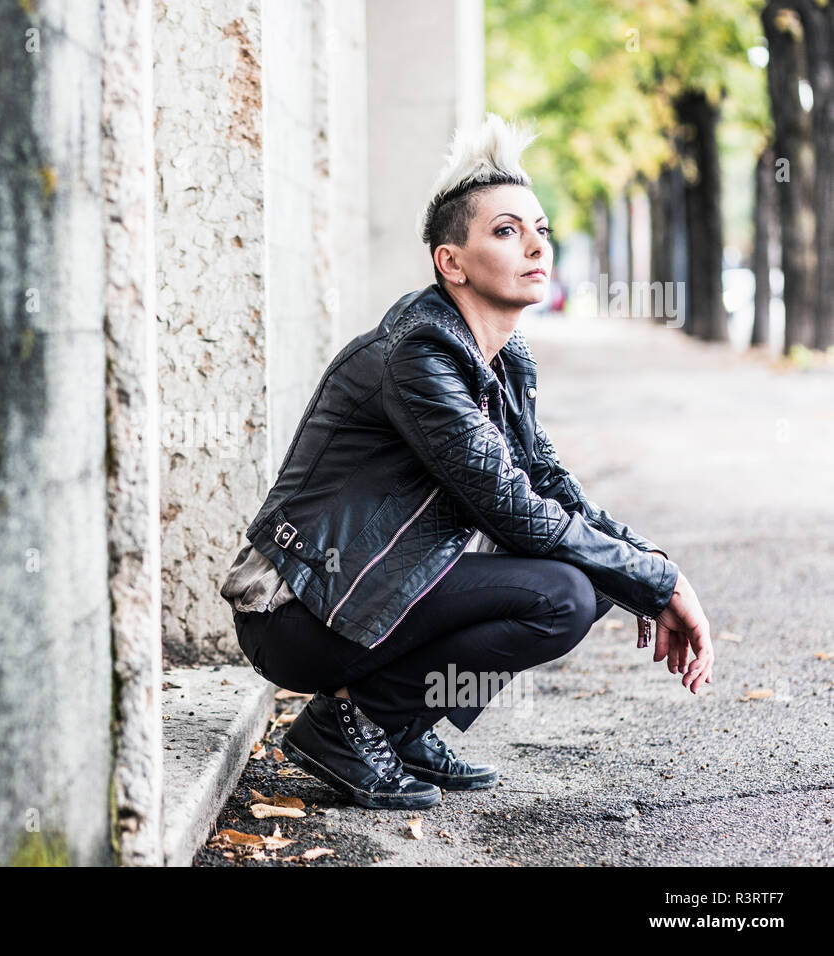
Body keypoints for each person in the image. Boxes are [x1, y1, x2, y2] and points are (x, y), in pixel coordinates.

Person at [219, 113, 714, 811]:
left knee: (597, 570)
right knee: (565, 593)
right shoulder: (419, 356)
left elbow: (548, 487)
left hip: (366, 594)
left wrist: (649, 569)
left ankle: (401, 724)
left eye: (540, 228)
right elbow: (511, 507)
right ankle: (349, 724)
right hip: (298, 608)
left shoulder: (503, 358)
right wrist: (659, 583)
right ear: (451, 262)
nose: (535, 244)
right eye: (507, 230)